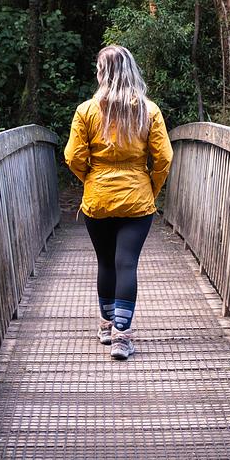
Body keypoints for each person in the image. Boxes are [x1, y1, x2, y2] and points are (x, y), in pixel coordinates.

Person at [64, 45, 172, 360]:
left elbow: (72, 156)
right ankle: (121, 337)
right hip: (137, 199)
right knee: (127, 263)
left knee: (106, 262)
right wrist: (152, 187)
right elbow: (163, 157)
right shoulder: (148, 110)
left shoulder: (86, 111)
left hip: (98, 199)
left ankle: (104, 325)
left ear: (101, 72)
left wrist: (90, 179)